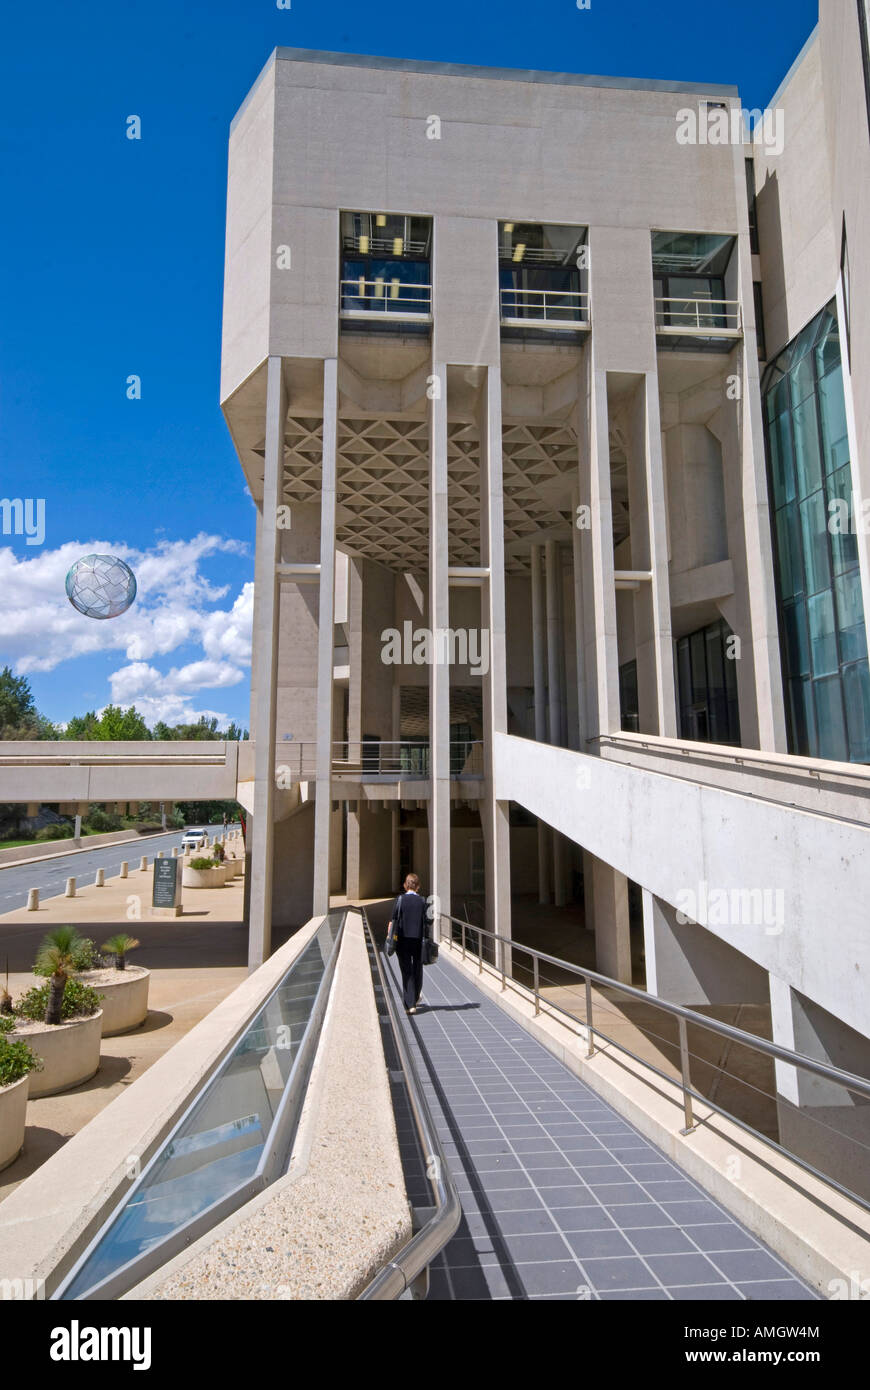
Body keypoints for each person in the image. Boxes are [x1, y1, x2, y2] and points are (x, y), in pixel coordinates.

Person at [389, 873, 427, 1014]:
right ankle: (415, 997)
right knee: (417, 969)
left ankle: (410, 1004)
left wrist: (389, 937)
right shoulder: (422, 901)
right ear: (418, 886)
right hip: (418, 940)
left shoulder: (400, 899)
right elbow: (427, 921)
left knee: (406, 970)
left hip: (402, 940)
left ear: (406, 885)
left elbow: (393, 919)